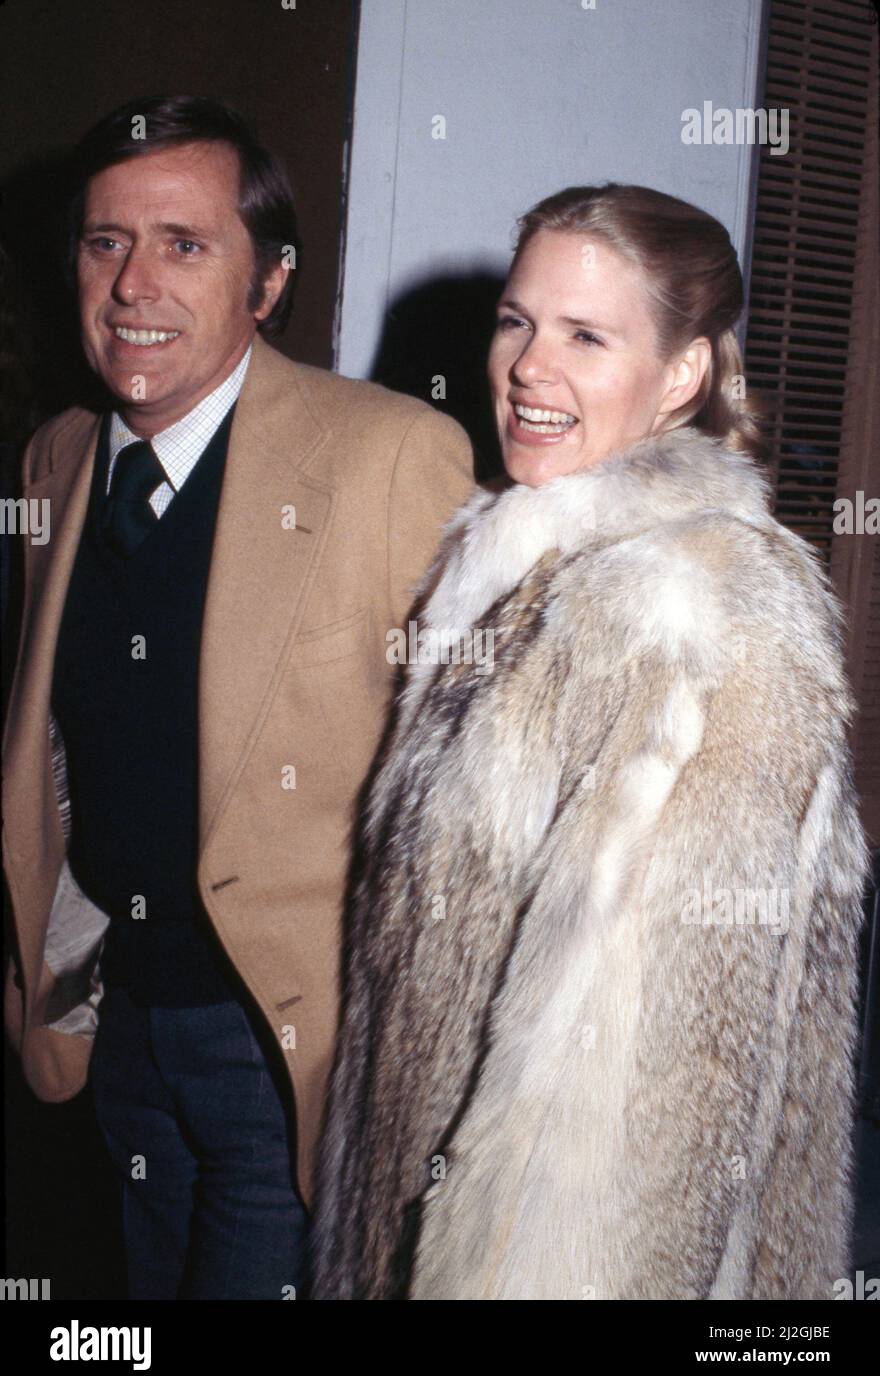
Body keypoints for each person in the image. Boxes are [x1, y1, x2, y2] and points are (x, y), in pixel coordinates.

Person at [312, 183, 870, 1300]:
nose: (527, 364)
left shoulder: (693, 608)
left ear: (681, 376)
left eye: (585, 335)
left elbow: (649, 1106)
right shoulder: (509, 563)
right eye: (517, 320)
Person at [2, 94, 474, 1300]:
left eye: (185, 244)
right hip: (116, 1018)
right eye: (106, 242)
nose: (132, 285)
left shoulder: (389, 454)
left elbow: (462, 791)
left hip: (286, 1044)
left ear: (268, 284)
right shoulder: (56, 458)